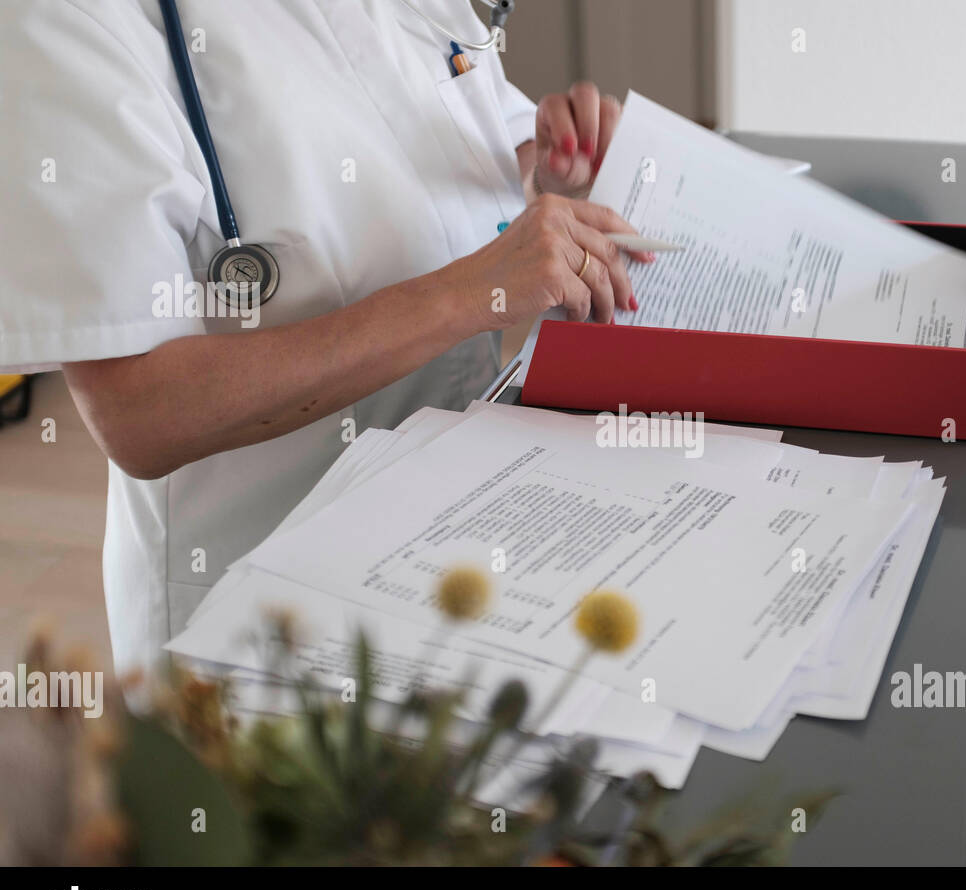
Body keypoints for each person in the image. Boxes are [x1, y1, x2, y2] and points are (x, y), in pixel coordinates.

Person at [0, 0, 653, 676]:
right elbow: (139, 412)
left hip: (468, 538)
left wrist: (545, 171)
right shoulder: (68, 19)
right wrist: (467, 294)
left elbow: (452, 150)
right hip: (265, 611)